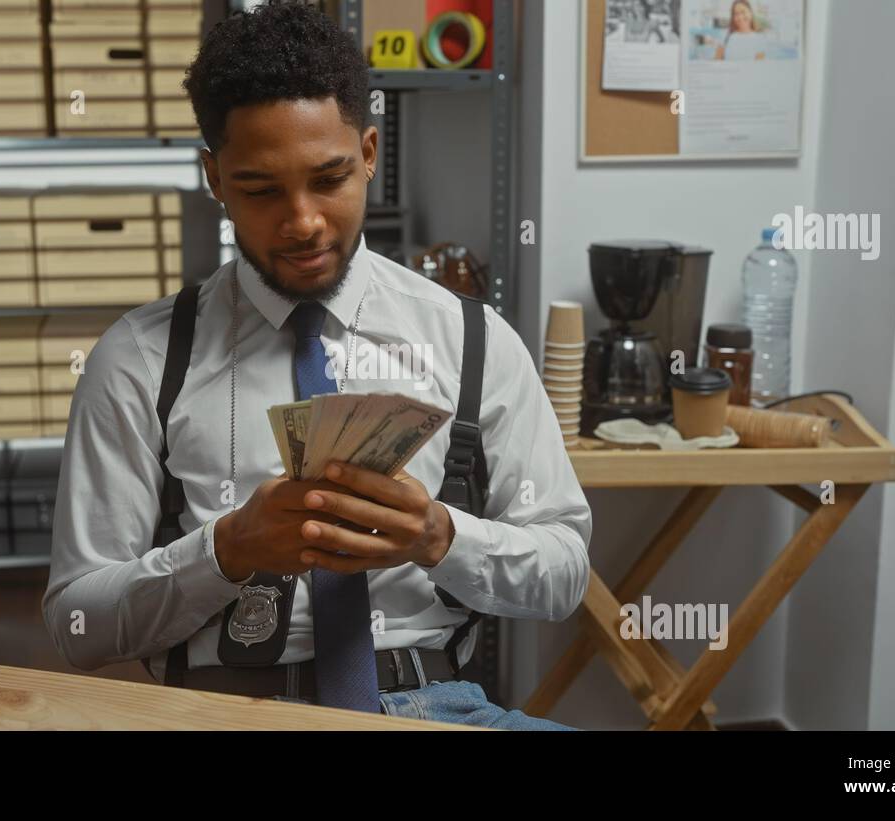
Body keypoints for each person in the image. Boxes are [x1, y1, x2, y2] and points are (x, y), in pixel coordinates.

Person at [42, 0, 592, 730]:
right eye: (261, 190)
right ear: (214, 178)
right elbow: (77, 625)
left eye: (328, 178)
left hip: (432, 707)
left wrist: (441, 537)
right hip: (218, 711)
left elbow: (564, 575)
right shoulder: (139, 360)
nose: (302, 221)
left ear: (369, 152)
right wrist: (225, 551)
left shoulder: (473, 339)